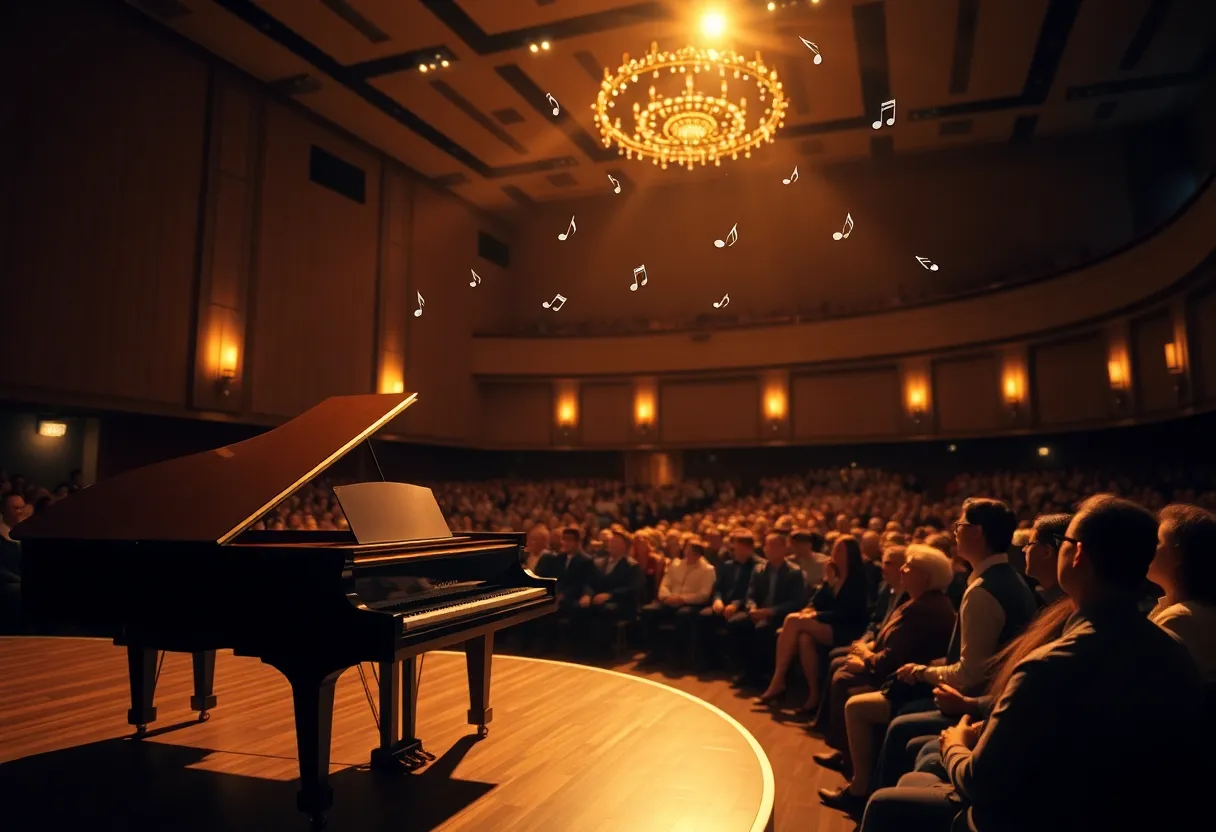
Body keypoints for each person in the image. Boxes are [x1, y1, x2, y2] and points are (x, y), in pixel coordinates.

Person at [862, 495, 1207, 832]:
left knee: (884, 804)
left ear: (1078, 555)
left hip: (1038, 815)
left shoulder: (1049, 665)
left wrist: (955, 741)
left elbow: (981, 782)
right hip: (1125, 816)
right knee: (914, 775)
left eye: (1065, 541)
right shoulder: (1173, 650)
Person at [829, 499, 1036, 804]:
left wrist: (921, 671)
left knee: (901, 725)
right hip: (990, 697)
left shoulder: (983, 590)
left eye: (960, 526)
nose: (955, 532)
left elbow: (970, 674)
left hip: (978, 702)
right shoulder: (1006, 580)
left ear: (977, 532)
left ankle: (873, 803)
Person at [814, 545, 958, 813]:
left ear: (925, 577)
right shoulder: (920, 602)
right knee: (842, 672)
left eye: (908, 566)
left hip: (910, 688)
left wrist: (866, 656)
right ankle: (849, 759)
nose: (902, 569)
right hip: (902, 678)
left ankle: (859, 787)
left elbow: (891, 662)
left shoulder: (922, 609)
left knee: (854, 703)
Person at [756, 535, 868, 709]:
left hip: (846, 628)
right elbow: (816, 602)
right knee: (804, 639)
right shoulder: (833, 575)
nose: (834, 553)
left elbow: (848, 613)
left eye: (839, 550)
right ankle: (814, 695)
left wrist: (816, 616)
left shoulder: (859, 580)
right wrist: (826, 586)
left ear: (850, 554)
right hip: (827, 625)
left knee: (792, 620)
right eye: (834, 549)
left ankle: (777, 681)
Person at [728, 533, 807, 687]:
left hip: (779, 615)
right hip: (758, 612)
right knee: (735, 623)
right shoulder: (759, 569)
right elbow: (750, 594)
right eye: (768, 546)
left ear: (784, 548)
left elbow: (796, 602)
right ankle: (747, 671)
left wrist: (771, 611)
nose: (770, 550)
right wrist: (752, 608)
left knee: (763, 629)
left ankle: (766, 674)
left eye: (775, 546)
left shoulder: (794, 572)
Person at [1148, 503, 1216, 681]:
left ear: (1179, 555)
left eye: (1157, 542)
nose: (1147, 548)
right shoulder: (1173, 608)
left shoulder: (1180, 620)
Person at [640, 538, 716, 657]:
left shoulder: (707, 570)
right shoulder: (675, 565)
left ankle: (680, 656)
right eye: (688, 550)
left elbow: (704, 594)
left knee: (683, 615)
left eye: (693, 552)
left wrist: (682, 599)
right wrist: (666, 597)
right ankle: (654, 652)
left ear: (699, 554)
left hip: (691, 604)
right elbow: (665, 584)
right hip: (671, 600)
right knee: (648, 611)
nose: (689, 554)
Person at [697, 529, 761, 668]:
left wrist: (736, 604)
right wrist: (717, 600)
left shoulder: (759, 567)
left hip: (745, 606)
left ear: (746, 547)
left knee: (735, 622)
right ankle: (712, 660)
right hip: (724, 604)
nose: (732, 550)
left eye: (735, 547)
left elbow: (754, 592)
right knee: (704, 616)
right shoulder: (728, 565)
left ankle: (737, 665)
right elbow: (718, 588)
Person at [1021, 514, 1069, 607]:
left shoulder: (1068, 604)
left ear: (1047, 552)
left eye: (1029, 543)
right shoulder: (1044, 597)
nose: (1024, 549)